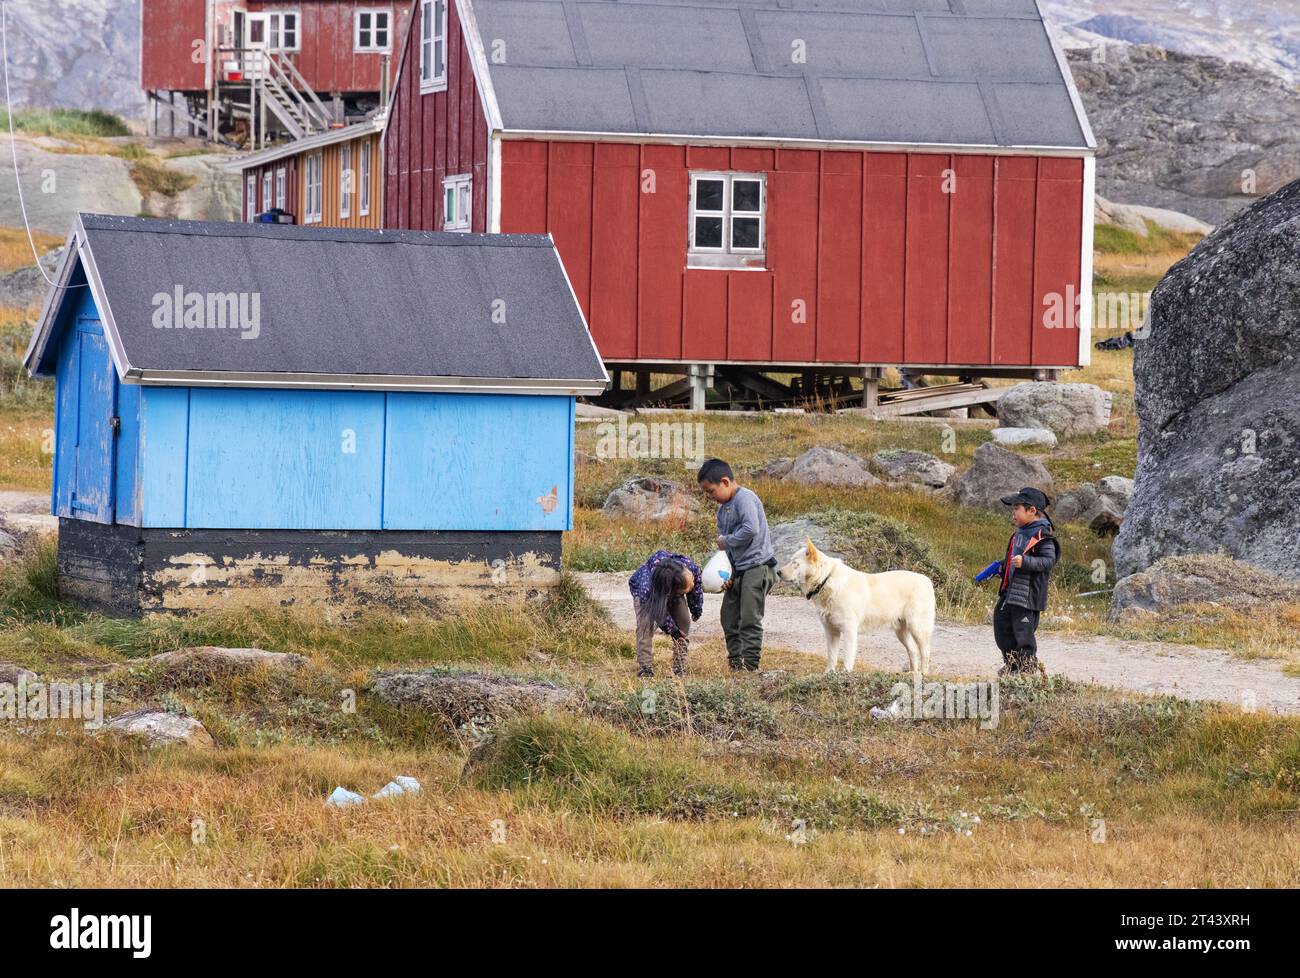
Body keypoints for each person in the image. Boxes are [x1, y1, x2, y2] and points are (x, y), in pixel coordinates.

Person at [697, 458, 776, 672]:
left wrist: (726, 541)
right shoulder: (723, 511)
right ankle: (736, 665)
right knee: (729, 618)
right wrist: (727, 571)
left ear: (724, 481)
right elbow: (727, 550)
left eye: (711, 491)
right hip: (738, 570)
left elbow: (751, 529)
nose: (710, 497)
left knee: (749, 619)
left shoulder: (745, 498)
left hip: (757, 567)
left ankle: (751, 668)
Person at [992, 487, 1059, 676]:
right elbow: (1014, 558)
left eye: (1016, 509)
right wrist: (1002, 568)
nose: (1013, 513)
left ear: (1031, 511)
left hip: (1028, 597)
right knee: (1002, 627)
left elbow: (1048, 561)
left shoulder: (1043, 536)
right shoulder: (1020, 532)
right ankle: (1012, 665)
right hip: (1010, 593)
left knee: (1023, 634)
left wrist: (1026, 562)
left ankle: (1028, 670)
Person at [628, 551, 703, 678]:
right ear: (675, 588)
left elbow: (696, 589)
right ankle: (646, 668)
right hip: (649, 597)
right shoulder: (646, 588)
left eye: (692, 580)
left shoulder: (690, 568)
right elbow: (660, 616)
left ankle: (679, 667)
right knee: (645, 627)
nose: (692, 584)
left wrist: (696, 609)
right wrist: (673, 631)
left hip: (672, 590)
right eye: (687, 588)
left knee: (684, 622)